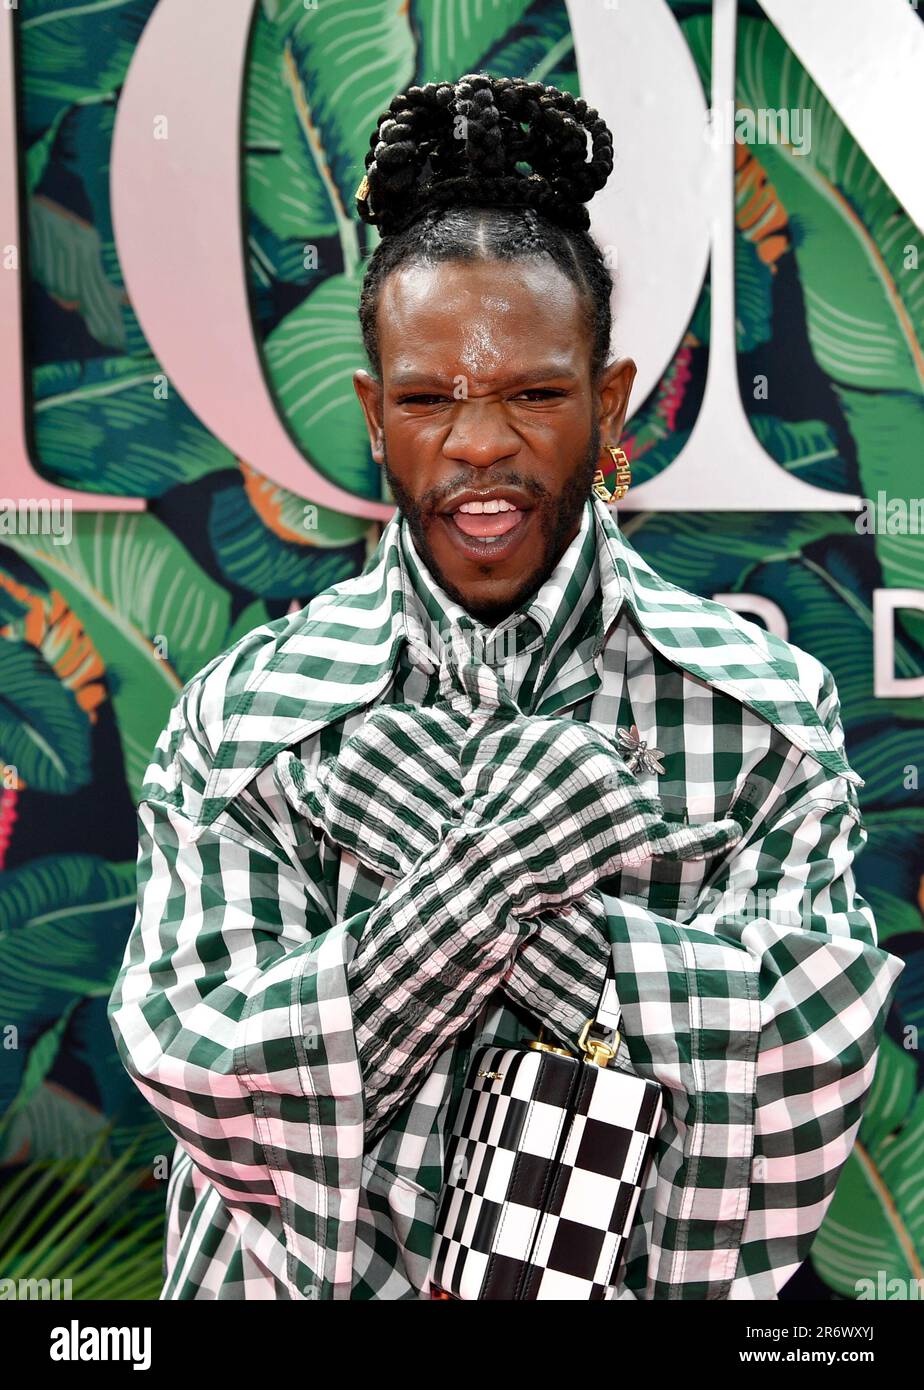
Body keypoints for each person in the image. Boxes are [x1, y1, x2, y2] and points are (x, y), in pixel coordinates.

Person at [107, 72, 903, 1301]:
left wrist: (451, 886)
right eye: (430, 399)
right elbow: (217, 1085)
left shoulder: (763, 708)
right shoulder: (246, 717)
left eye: (534, 392)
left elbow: (795, 1098)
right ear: (374, 417)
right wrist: (513, 867)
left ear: (610, 401)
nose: (480, 443)